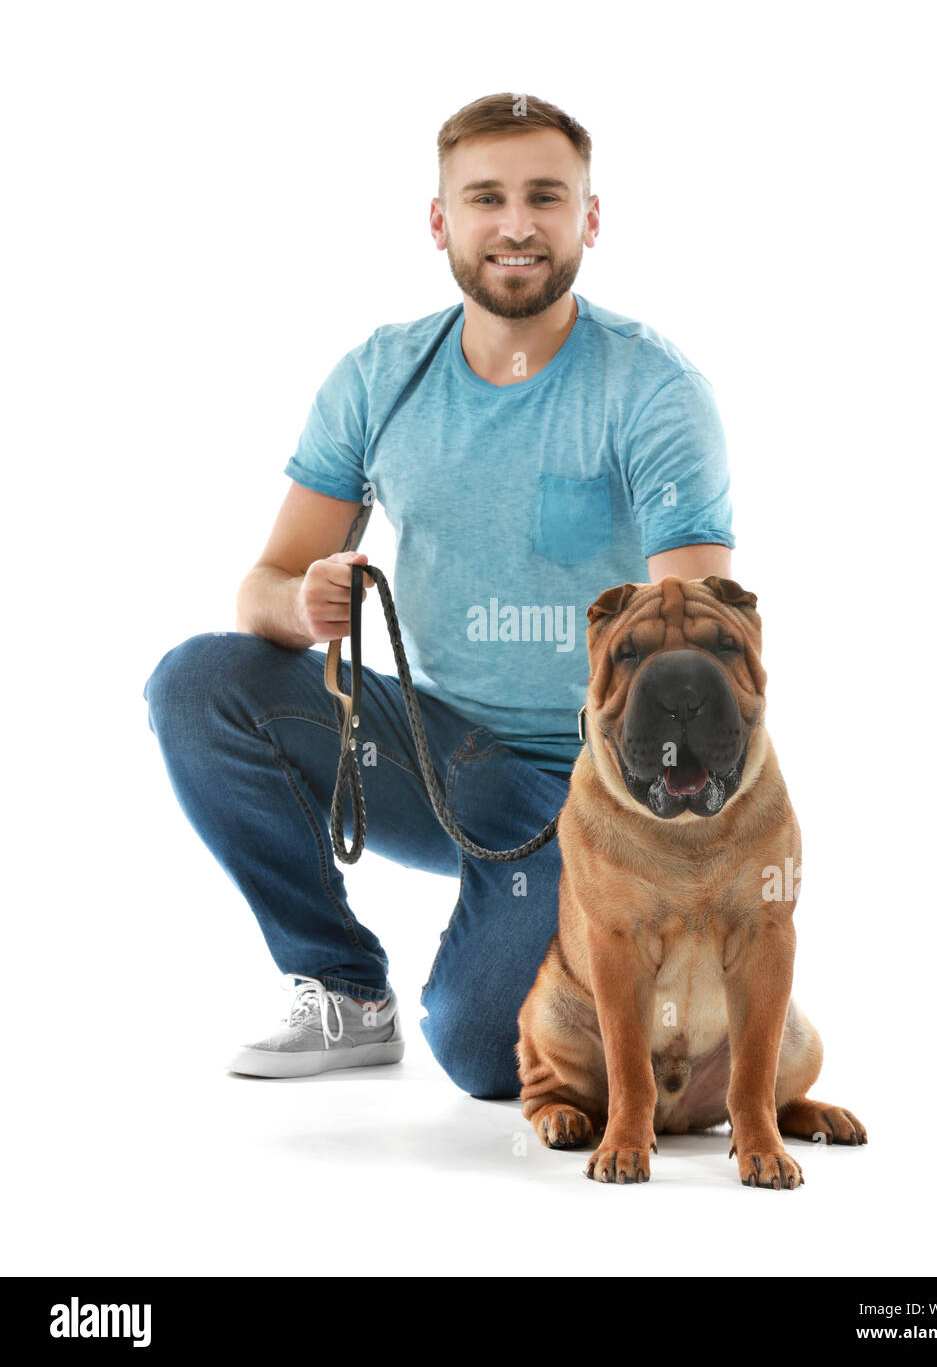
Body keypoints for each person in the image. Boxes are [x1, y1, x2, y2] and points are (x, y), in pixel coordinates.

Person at [142, 91, 736, 1098]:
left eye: (546, 198)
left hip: (584, 782)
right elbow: (264, 586)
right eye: (486, 198)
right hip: (431, 747)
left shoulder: (650, 387)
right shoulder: (382, 375)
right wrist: (306, 604)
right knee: (200, 682)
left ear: (589, 218)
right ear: (440, 221)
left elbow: (699, 637)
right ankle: (343, 987)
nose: (516, 224)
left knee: (483, 1055)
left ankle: (615, 941)